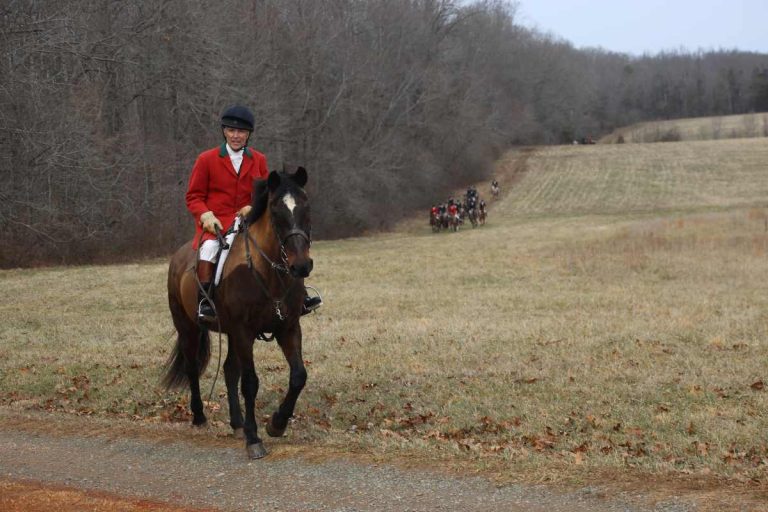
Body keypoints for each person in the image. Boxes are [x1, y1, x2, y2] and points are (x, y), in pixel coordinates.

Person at [186, 105, 321, 323]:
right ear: (224, 131)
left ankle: (300, 296)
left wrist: (252, 206)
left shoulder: (258, 159)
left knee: (281, 247)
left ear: (248, 134)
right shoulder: (206, 159)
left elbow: (265, 193)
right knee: (209, 250)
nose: (236, 135)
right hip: (217, 224)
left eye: (241, 132)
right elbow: (193, 196)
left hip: (248, 220)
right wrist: (206, 216)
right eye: (231, 130)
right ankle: (206, 301)